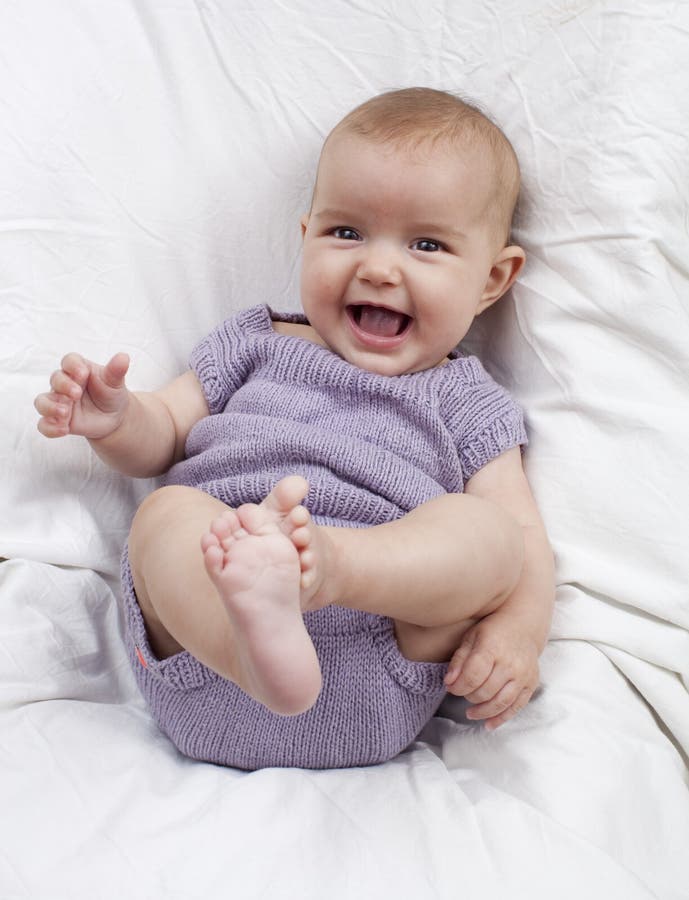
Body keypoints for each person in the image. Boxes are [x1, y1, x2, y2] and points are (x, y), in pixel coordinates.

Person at [34, 87, 554, 770]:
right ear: (305, 236)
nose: (377, 266)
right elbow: (160, 434)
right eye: (346, 233)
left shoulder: (466, 399)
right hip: (205, 649)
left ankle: (328, 569)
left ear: (492, 279)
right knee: (166, 510)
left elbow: (522, 543)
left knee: (483, 532)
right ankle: (253, 644)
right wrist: (118, 419)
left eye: (426, 244)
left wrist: (518, 631)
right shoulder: (258, 342)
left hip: (378, 661)